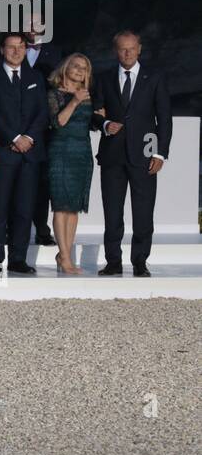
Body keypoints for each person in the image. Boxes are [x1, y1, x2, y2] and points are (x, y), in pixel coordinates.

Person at [91, 30, 172, 277]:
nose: (127, 53)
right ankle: (113, 262)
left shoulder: (154, 77)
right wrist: (104, 125)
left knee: (143, 211)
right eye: (122, 49)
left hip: (145, 155)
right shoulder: (104, 78)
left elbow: (164, 118)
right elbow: (94, 113)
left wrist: (160, 154)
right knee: (112, 212)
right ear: (115, 51)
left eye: (131, 48)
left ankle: (140, 262)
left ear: (139, 49)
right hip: (113, 155)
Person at [0, 33, 47, 275]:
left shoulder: (35, 77)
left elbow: (42, 113)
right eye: (11, 47)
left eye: (21, 46)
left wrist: (28, 138)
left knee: (24, 209)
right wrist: (14, 138)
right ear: (2, 50)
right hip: (4, 153)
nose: (17, 51)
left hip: (30, 154)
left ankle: (19, 258)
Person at [46, 53, 96, 275]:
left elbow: (89, 122)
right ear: (65, 68)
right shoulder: (55, 94)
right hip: (60, 153)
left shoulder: (88, 95)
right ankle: (64, 256)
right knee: (61, 205)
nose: (79, 71)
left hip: (82, 154)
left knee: (73, 207)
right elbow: (58, 122)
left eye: (84, 68)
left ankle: (65, 254)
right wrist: (75, 101)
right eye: (75, 66)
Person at [25, 16, 62, 248]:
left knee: (42, 181)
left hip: (45, 127)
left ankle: (41, 228)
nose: (32, 28)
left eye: (37, 23)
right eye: (28, 23)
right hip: (16, 127)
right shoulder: (11, 49)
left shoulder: (57, 53)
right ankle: (12, 228)